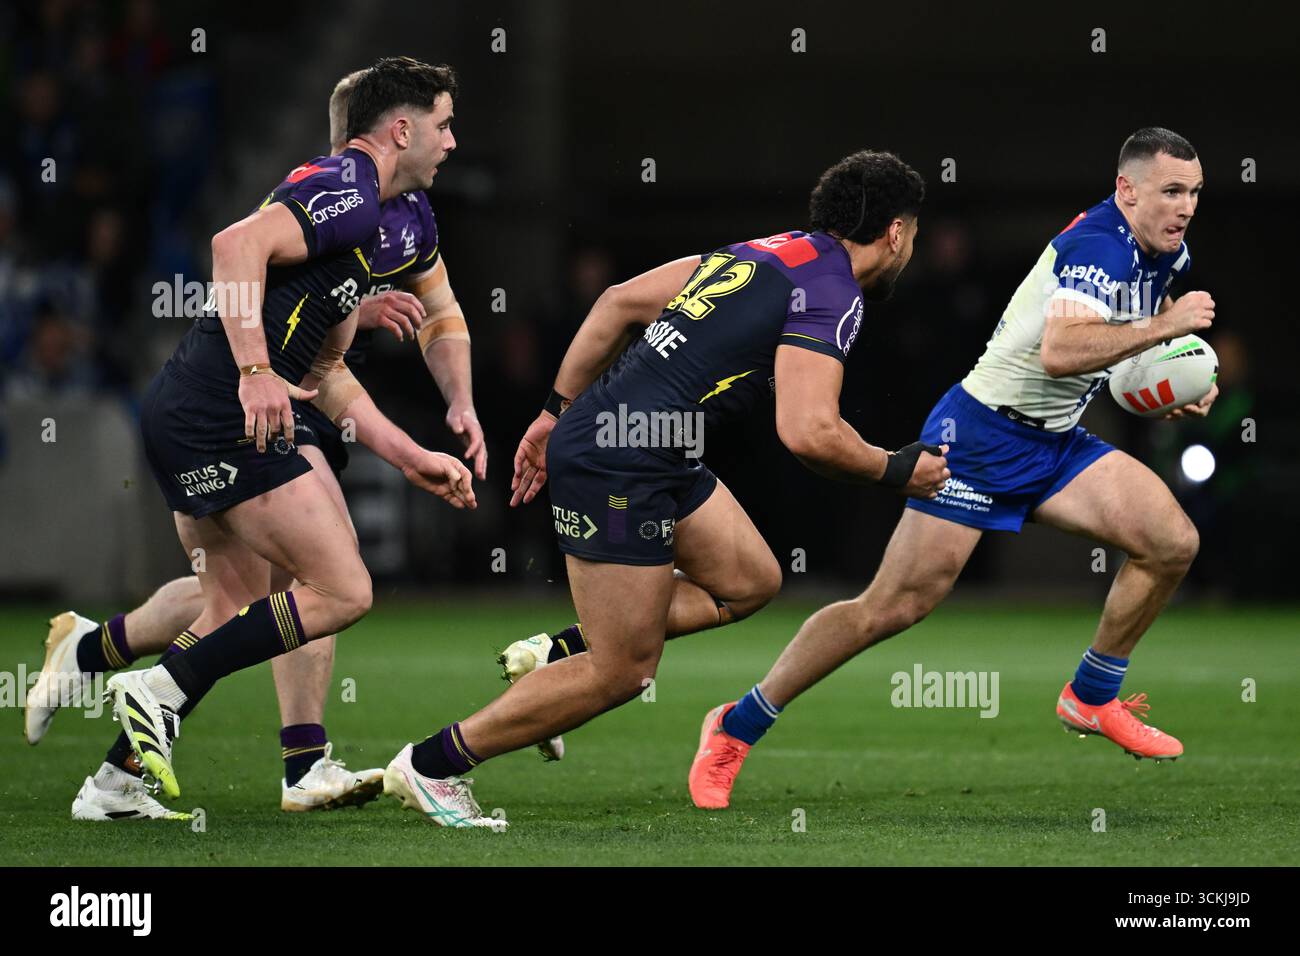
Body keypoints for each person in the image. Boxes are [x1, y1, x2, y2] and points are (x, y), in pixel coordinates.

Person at [382, 150, 949, 829]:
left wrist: (553, 412)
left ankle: (558, 654)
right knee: (623, 672)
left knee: (749, 580)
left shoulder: (773, 251)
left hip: (646, 445)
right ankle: (431, 764)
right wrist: (896, 469)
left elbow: (617, 302)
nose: (911, 246)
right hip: (619, 461)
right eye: (913, 233)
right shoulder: (834, 294)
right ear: (895, 232)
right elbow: (809, 432)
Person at [690, 127, 1214, 810]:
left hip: (1055, 441)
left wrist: (1161, 385)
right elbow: (1060, 350)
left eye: (1195, 192)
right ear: (1127, 190)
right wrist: (1167, 330)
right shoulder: (1099, 246)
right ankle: (736, 725)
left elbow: (1105, 348)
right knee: (891, 608)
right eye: (1172, 191)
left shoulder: (1163, 255)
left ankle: (1090, 695)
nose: (1185, 206)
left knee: (1171, 542)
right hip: (979, 437)